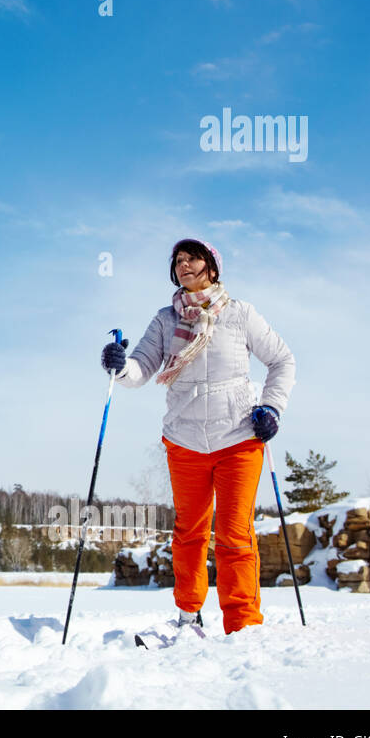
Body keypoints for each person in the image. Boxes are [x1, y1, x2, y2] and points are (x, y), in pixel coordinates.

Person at [100, 239, 294, 636]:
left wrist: (272, 408)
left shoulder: (240, 314)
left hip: (239, 437)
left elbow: (282, 360)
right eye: (178, 260)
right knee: (189, 532)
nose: (184, 264)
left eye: (192, 258)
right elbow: (141, 370)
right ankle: (188, 616)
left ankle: (243, 624)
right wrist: (120, 368)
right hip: (185, 440)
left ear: (212, 266)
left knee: (234, 532)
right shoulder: (164, 320)